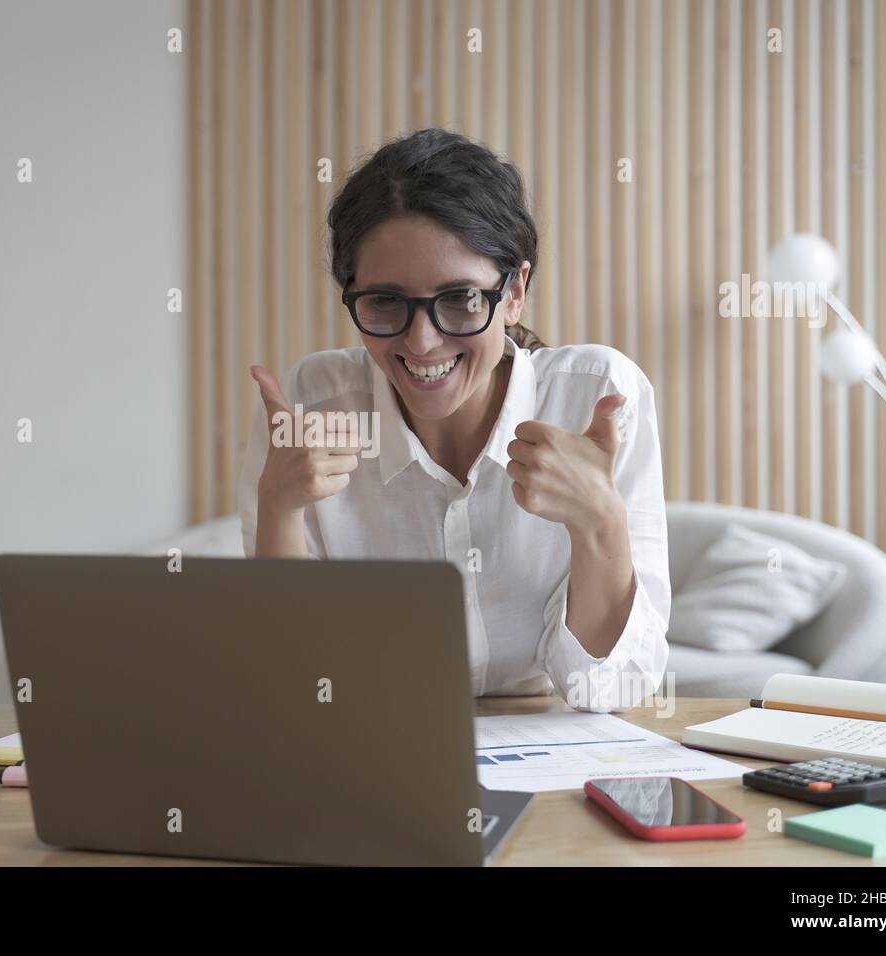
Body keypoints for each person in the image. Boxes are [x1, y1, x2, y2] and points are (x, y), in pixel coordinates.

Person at [237, 128, 669, 708]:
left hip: (548, 751)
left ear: (514, 290)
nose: (422, 341)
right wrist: (278, 510)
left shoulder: (598, 398)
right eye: (386, 300)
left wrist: (600, 525)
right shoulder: (310, 403)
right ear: (351, 293)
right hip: (378, 745)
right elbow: (289, 687)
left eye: (460, 299)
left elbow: (614, 689)